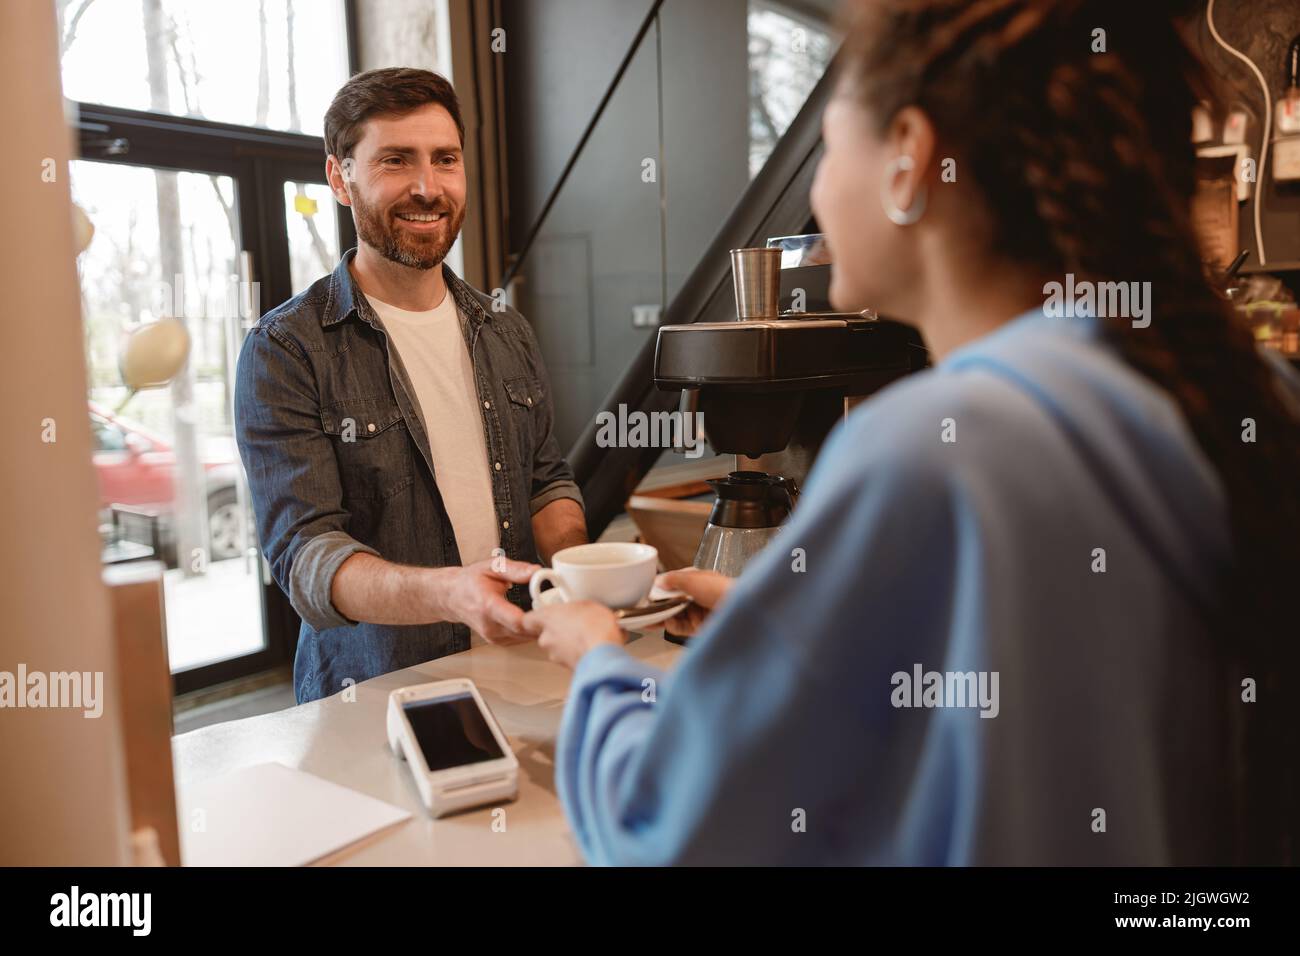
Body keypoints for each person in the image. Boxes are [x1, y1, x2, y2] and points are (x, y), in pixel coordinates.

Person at [523, 0, 1300, 865]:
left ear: (908, 161)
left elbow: (672, 829)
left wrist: (599, 665)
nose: (816, 192)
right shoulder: (1249, 393)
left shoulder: (933, 449)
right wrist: (815, 634)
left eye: (826, 145)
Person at [235, 69, 587, 704]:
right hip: (376, 698)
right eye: (395, 161)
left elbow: (545, 481)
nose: (428, 187)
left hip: (526, 679)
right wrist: (449, 592)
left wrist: (587, 572)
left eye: (445, 159)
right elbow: (305, 555)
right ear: (340, 179)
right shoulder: (286, 349)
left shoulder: (505, 328)